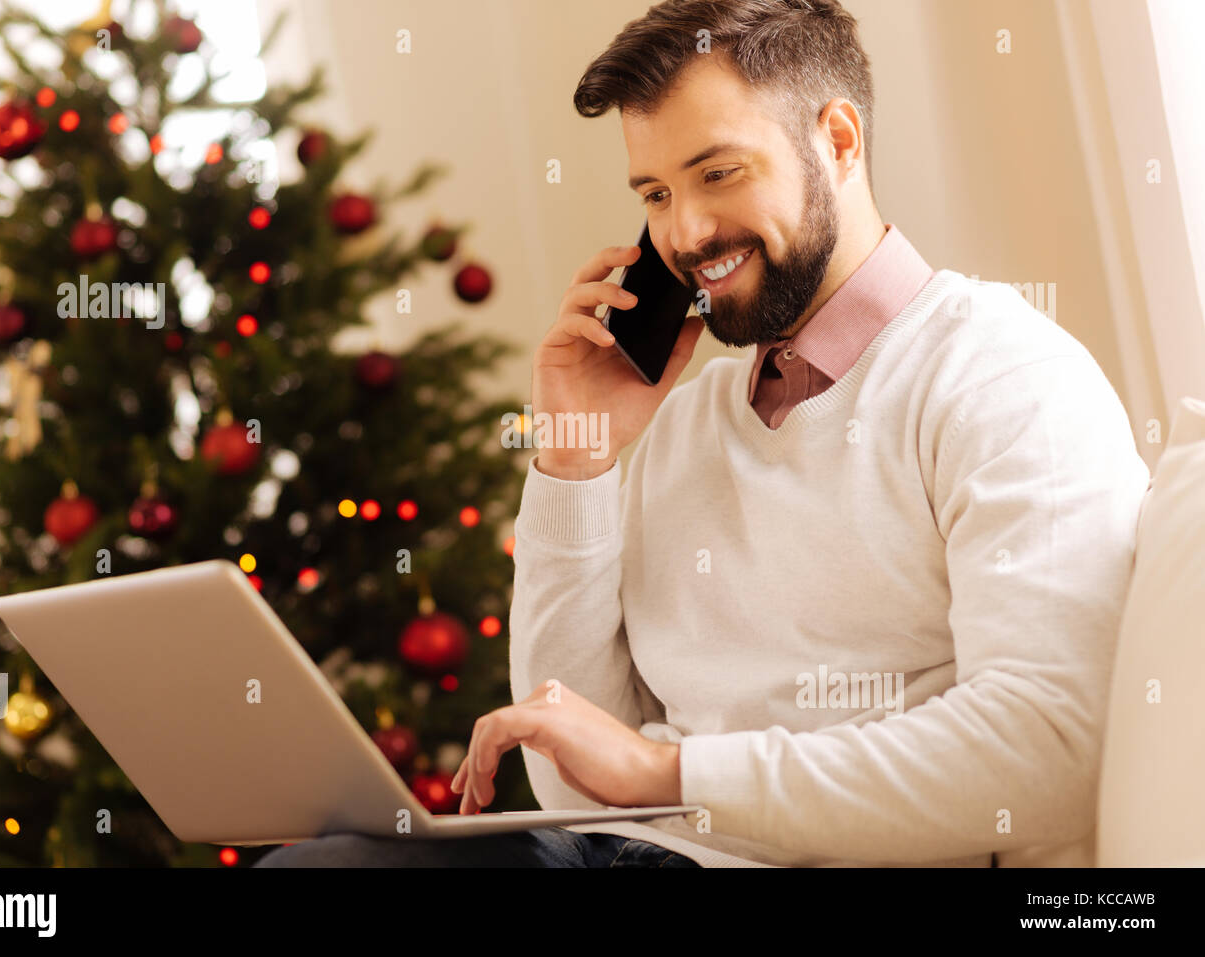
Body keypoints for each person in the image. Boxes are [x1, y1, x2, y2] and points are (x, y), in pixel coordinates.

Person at [257, 0, 1148, 868]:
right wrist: (576, 458)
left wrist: (673, 771)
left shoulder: (1002, 373)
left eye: (717, 173)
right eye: (655, 192)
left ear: (838, 141)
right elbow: (570, 788)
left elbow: (1048, 750)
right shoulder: (686, 421)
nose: (683, 233)